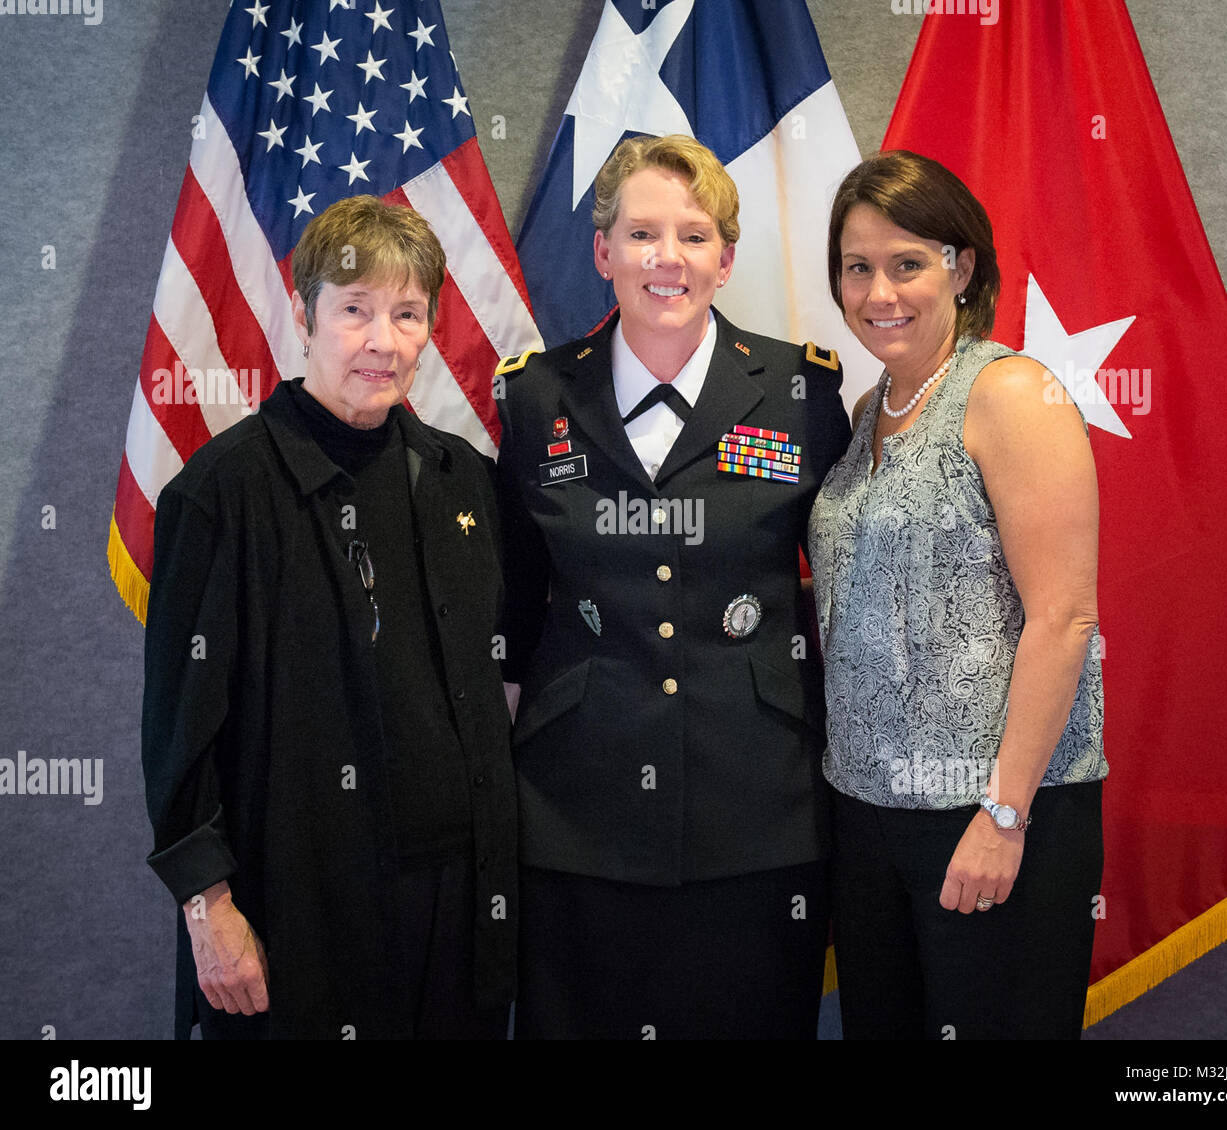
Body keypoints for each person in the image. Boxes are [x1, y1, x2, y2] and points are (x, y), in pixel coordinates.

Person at [495, 134, 853, 1039]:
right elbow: (512, 607)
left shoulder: (800, 394)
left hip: (759, 801)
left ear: (726, 260)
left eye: (694, 237)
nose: (668, 259)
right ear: (601, 251)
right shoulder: (538, 397)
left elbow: (849, 588)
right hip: (578, 801)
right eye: (642, 232)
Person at [141, 195, 516, 1040]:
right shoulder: (219, 496)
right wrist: (210, 907)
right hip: (293, 906)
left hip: (456, 908)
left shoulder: (462, 480)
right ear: (305, 314)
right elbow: (179, 729)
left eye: (407, 314)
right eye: (355, 311)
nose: (382, 341)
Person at [808, 150, 1108, 1040]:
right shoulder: (871, 407)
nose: (879, 292)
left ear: (962, 265)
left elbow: (1065, 617)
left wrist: (1003, 814)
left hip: (996, 814)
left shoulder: (1011, 390)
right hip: (867, 815)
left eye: (907, 263)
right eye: (857, 267)